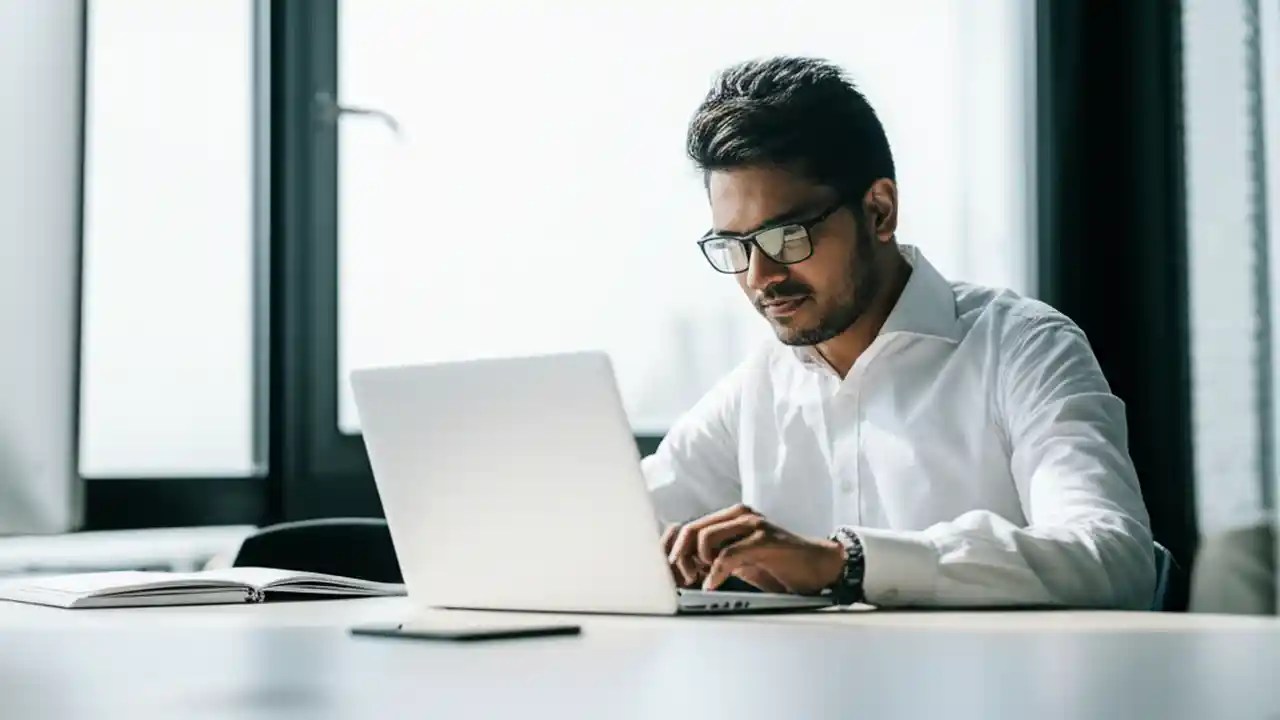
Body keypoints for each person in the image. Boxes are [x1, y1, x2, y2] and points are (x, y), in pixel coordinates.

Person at [646, 57, 1155, 609]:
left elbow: (1112, 553)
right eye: (735, 246)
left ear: (879, 211)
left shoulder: (1022, 348)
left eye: (785, 237)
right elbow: (616, 528)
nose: (759, 276)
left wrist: (846, 563)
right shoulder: (757, 388)